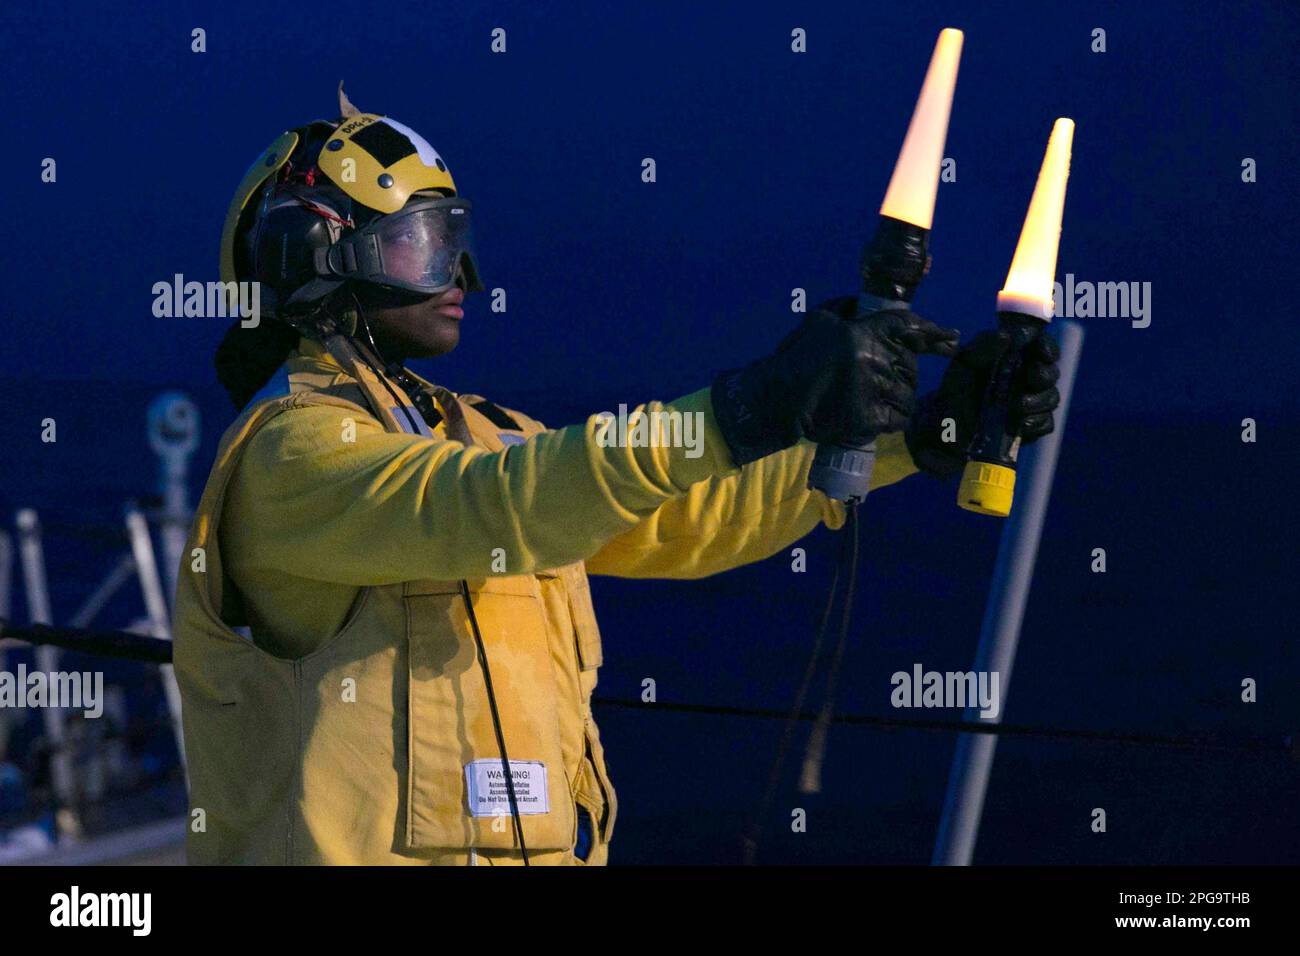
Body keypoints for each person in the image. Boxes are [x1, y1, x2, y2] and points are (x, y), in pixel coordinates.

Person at [173, 87, 1060, 866]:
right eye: (420, 247)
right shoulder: (292, 456)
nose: (463, 279)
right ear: (311, 258)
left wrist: (918, 433)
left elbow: (689, 514)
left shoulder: (477, 434)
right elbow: (492, 507)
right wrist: (749, 404)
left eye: (456, 242)